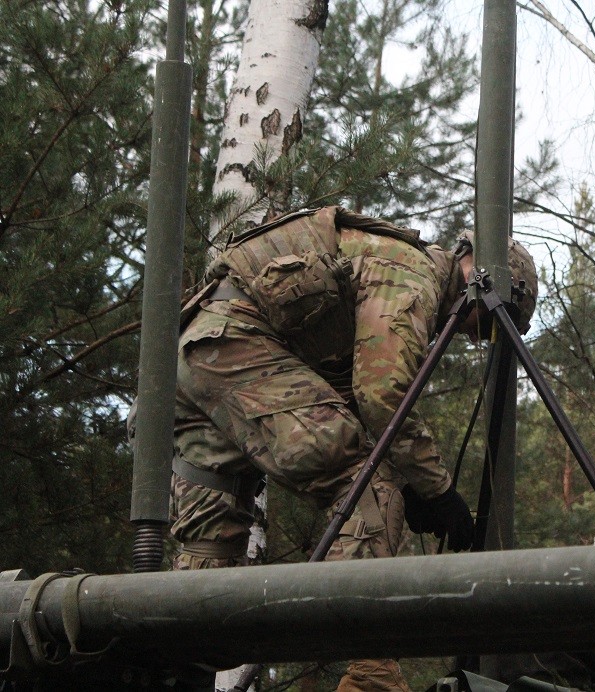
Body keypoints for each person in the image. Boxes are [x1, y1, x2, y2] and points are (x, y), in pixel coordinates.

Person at [169, 206, 537, 692]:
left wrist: (417, 485)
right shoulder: (413, 273)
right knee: (369, 488)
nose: (477, 337)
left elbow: (352, 401)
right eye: (489, 323)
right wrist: (438, 490)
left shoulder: (396, 268)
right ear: (477, 273)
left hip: (197, 355)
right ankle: (372, 675)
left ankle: (179, 671)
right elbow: (383, 397)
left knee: (209, 544)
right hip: (236, 342)